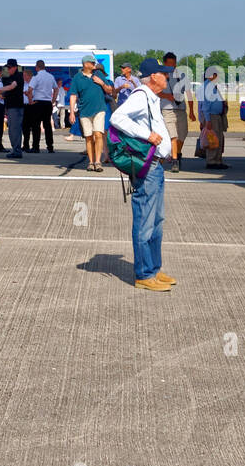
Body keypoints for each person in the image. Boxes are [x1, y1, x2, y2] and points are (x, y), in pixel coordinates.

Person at [112, 59, 175, 291]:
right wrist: (147, 135)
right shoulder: (140, 95)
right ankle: (144, 274)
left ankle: (154, 269)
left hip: (155, 166)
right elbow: (117, 118)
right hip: (147, 168)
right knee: (145, 221)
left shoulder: (150, 97)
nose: (167, 77)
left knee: (156, 220)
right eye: (164, 74)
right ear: (154, 76)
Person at [69, 54, 115, 174]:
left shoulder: (98, 75)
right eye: (92, 63)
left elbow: (110, 90)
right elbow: (73, 95)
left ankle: (98, 162)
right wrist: (72, 112)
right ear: (86, 64)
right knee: (89, 137)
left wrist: (101, 83)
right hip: (84, 111)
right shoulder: (77, 78)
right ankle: (91, 162)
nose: (94, 65)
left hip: (99, 109)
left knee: (98, 134)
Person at [159, 52, 196, 173]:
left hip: (181, 109)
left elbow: (189, 94)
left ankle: (178, 153)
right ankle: (174, 161)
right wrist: (166, 95)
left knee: (182, 134)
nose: (172, 66)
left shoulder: (182, 76)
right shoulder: (160, 75)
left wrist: (191, 111)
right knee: (173, 135)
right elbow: (155, 92)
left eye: (174, 64)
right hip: (167, 109)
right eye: (169, 64)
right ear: (165, 63)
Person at [195, 66, 227, 169]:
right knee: (213, 138)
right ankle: (212, 161)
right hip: (212, 117)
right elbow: (205, 105)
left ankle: (218, 160)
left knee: (219, 138)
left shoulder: (212, 86)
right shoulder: (207, 87)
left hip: (216, 116)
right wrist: (207, 120)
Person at [26, 59, 57, 153]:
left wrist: (30, 101)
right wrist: (53, 101)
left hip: (38, 102)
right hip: (47, 103)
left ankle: (36, 147)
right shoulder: (51, 77)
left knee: (36, 125)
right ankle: (50, 147)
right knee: (47, 125)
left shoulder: (36, 77)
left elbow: (30, 89)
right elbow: (56, 89)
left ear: (37, 67)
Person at [1, 58, 25, 159]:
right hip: (11, 106)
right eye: (7, 67)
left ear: (15, 67)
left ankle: (17, 151)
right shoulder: (9, 76)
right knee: (12, 129)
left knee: (15, 130)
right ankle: (16, 149)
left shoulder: (18, 76)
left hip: (16, 107)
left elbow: (12, 87)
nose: (8, 69)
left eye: (10, 67)